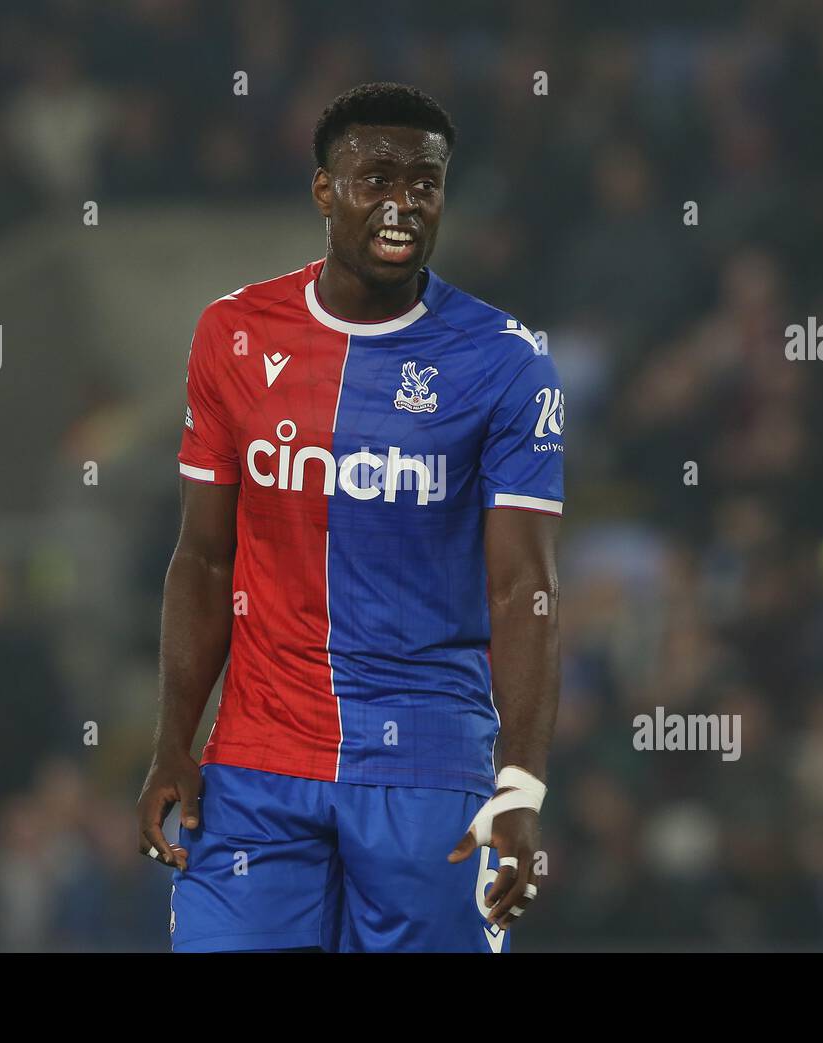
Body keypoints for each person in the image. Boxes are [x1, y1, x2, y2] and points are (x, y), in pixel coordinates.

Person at [137, 82, 564, 952]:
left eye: (425, 184)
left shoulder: (506, 362)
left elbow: (525, 585)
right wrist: (173, 741)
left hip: (428, 769)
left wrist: (520, 782)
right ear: (325, 191)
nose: (403, 203)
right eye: (377, 180)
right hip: (257, 762)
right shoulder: (232, 334)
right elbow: (203, 558)